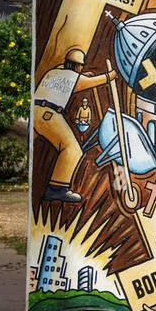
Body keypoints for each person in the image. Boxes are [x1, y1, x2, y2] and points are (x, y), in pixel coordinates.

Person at [33, 48, 116, 203]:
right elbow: (99, 80)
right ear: (78, 66)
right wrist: (111, 75)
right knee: (72, 149)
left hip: (35, 112)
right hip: (49, 115)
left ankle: (54, 189)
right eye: (81, 66)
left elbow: (72, 78)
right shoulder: (74, 78)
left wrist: (83, 76)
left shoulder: (53, 72)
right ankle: (57, 189)